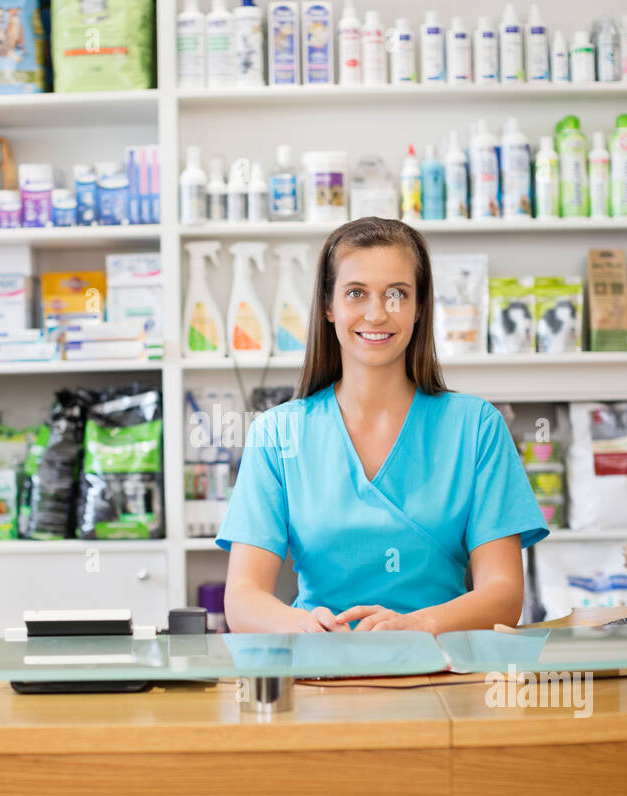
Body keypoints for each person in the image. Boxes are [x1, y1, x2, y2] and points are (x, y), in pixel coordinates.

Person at [215, 217, 548, 633]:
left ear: (419, 306)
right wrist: (303, 627)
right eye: (356, 293)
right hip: (321, 675)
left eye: (397, 294)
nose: (376, 313)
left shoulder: (478, 427)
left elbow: (503, 594)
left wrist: (415, 626)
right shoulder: (277, 434)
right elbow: (243, 598)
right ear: (328, 306)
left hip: (442, 674)